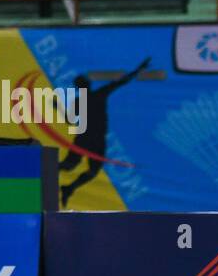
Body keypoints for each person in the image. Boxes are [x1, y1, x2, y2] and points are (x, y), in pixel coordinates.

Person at [59, 56, 150, 207]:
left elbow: (70, 120)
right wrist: (139, 70)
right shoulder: (97, 95)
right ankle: (61, 180)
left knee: (73, 166)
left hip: (87, 138)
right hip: (91, 139)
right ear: (86, 85)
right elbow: (121, 82)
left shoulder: (84, 99)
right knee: (82, 168)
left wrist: (60, 109)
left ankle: (68, 187)